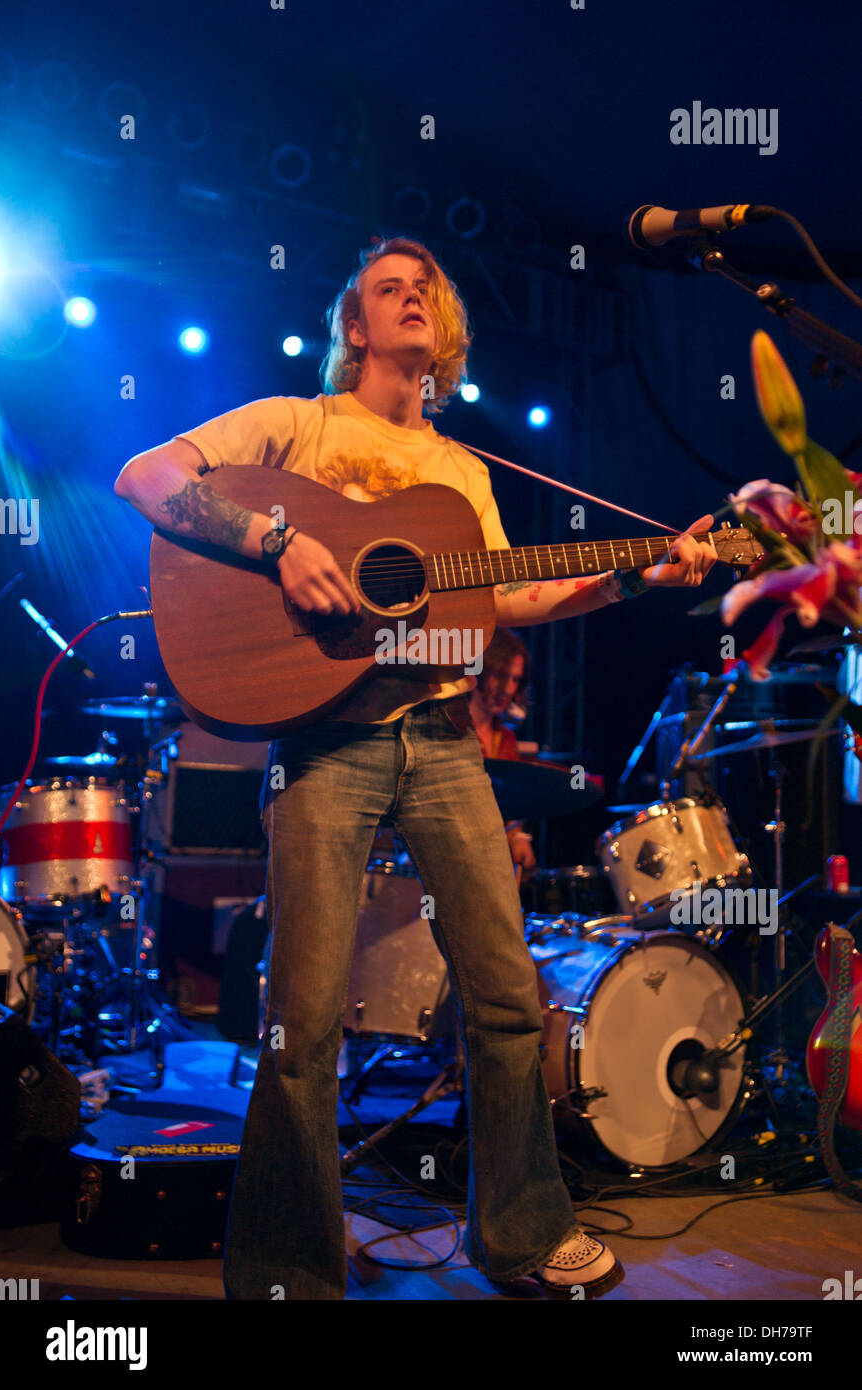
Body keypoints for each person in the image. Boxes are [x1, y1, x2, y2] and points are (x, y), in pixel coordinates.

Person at [114, 235, 716, 1300]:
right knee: (300, 1017)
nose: (411, 300)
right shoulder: (294, 423)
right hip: (324, 741)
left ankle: (523, 1234)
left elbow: (511, 598)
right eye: (388, 289)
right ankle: (285, 1270)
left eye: (426, 292)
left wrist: (631, 577)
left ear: (445, 335)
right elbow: (146, 475)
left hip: (442, 742)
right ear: (353, 324)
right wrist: (276, 543)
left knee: (503, 992)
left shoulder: (461, 475)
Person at [469, 628, 537, 876]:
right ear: (479, 669)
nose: (508, 689)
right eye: (501, 676)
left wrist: (518, 838)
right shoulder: (448, 730)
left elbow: (509, 804)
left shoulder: (506, 739)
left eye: (516, 679)